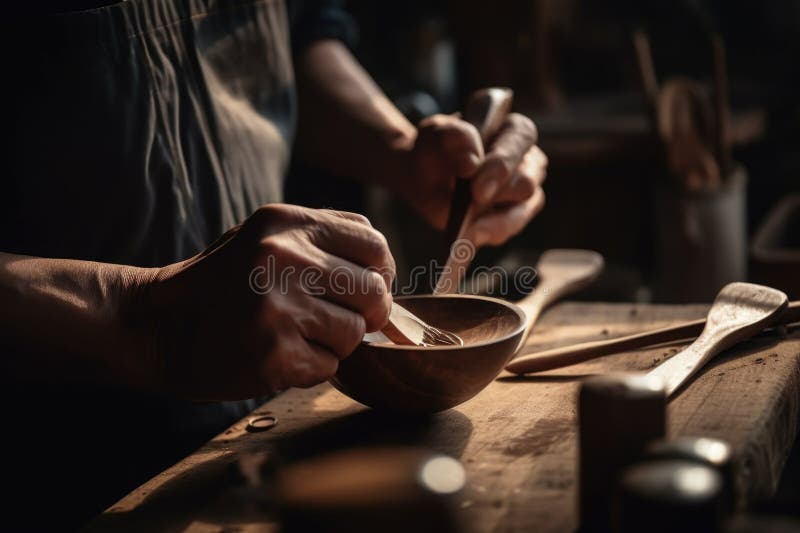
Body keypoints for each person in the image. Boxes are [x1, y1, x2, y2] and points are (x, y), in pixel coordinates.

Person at [0, 0, 547, 529]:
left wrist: (399, 148)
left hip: (267, 427)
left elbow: (296, 31)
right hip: (47, 472)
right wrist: (136, 317)